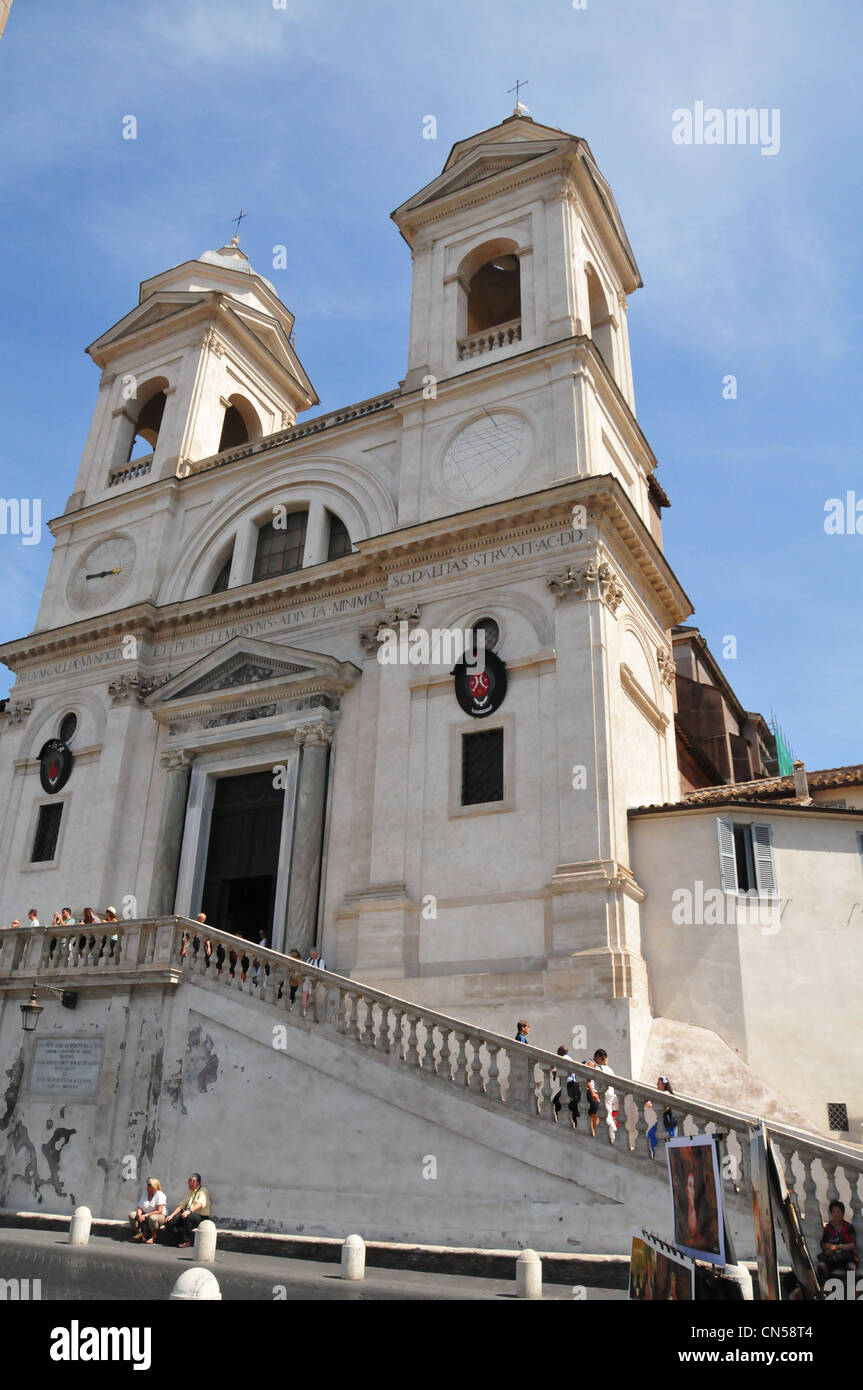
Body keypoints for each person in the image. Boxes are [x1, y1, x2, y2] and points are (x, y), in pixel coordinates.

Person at [163, 1173, 211, 1247]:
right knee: (171, 1220)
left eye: (190, 1180)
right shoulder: (190, 1192)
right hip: (189, 1213)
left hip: (201, 1216)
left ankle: (187, 1241)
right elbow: (181, 1205)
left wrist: (189, 1211)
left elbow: (200, 1204)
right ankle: (173, 1240)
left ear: (196, 1182)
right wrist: (172, 1215)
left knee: (188, 1217)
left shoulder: (203, 1191)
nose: (188, 1183)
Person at [818, 1200, 859, 1284]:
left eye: (838, 1211)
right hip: (832, 1258)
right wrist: (828, 1248)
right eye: (833, 1212)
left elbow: (852, 1245)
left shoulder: (848, 1227)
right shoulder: (828, 1228)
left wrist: (837, 1247)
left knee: (851, 1267)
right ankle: (825, 1291)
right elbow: (823, 1243)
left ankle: (851, 1291)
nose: (836, 1214)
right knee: (822, 1266)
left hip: (847, 1257)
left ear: (842, 1213)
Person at [645, 1076, 676, 1157]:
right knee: (652, 1134)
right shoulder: (661, 1094)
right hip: (663, 1120)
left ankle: (659, 1154)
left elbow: (666, 1108)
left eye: (659, 1083)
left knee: (668, 1138)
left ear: (664, 1085)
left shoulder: (666, 1094)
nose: (657, 1085)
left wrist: (652, 1106)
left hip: (667, 1120)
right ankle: (657, 1153)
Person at [129, 1178, 167, 1242]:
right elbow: (140, 1207)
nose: (147, 1186)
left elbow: (159, 1211)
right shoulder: (145, 1193)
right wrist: (139, 1215)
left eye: (149, 1185)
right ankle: (139, 1234)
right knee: (132, 1215)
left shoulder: (160, 1195)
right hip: (145, 1214)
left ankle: (153, 1237)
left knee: (153, 1218)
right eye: (147, 1184)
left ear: (154, 1186)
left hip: (158, 1215)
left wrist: (146, 1215)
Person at [594, 1048, 618, 1140]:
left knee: (607, 1116)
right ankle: (612, 1135)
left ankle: (614, 1135)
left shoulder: (600, 1068)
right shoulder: (609, 1069)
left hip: (605, 1095)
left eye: (596, 1058)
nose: (596, 1060)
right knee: (608, 1115)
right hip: (609, 1094)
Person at [302, 947, 326, 1015]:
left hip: (315, 980)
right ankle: (304, 1007)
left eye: (313, 954)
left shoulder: (320, 961)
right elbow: (305, 967)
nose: (312, 956)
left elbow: (322, 972)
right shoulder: (309, 959)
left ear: (316, 954)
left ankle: (309, 1008)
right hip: (307, 978)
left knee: (310, 993)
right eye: (311, 954)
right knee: (305, 992)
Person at [583, 1059, 601, 1137]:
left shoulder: (598, 1066)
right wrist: (593, 1093)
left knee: (596, 1114)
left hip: (594, 1092)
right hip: (591, 1093)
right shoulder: (591, 1063)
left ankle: (595, 1134)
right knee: (594, 1114)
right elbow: (587, 1079)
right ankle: (594, 1134)